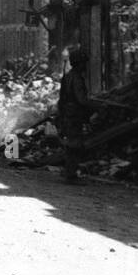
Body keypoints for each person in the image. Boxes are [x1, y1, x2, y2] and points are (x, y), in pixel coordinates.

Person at [57, 46, 91, 183]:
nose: (86, 66)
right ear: (80, 63)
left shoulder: (68, 77)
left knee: (71, 145)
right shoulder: (76, 78)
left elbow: (61, 99)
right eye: (84, 63)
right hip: (74, 115)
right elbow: (81, 99)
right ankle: (71, 175)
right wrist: (96, 105)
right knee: (74, 145)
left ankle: (69, 172)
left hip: (68, 115)